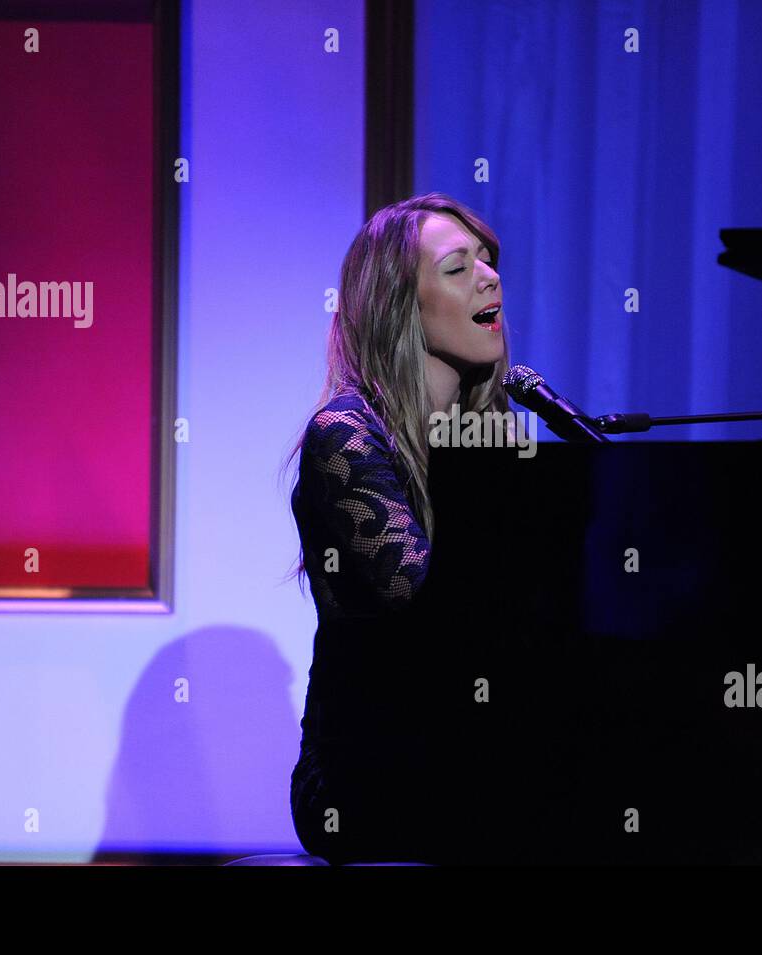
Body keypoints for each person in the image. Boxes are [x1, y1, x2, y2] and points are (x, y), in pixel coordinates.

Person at [283, 193, 513, 864]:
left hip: (467, 749)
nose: (489, 275)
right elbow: (430, 610)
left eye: (490, 261)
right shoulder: (345, 437)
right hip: (364, 774)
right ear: (397, 304)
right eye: (458, 265)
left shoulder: (489, 438)